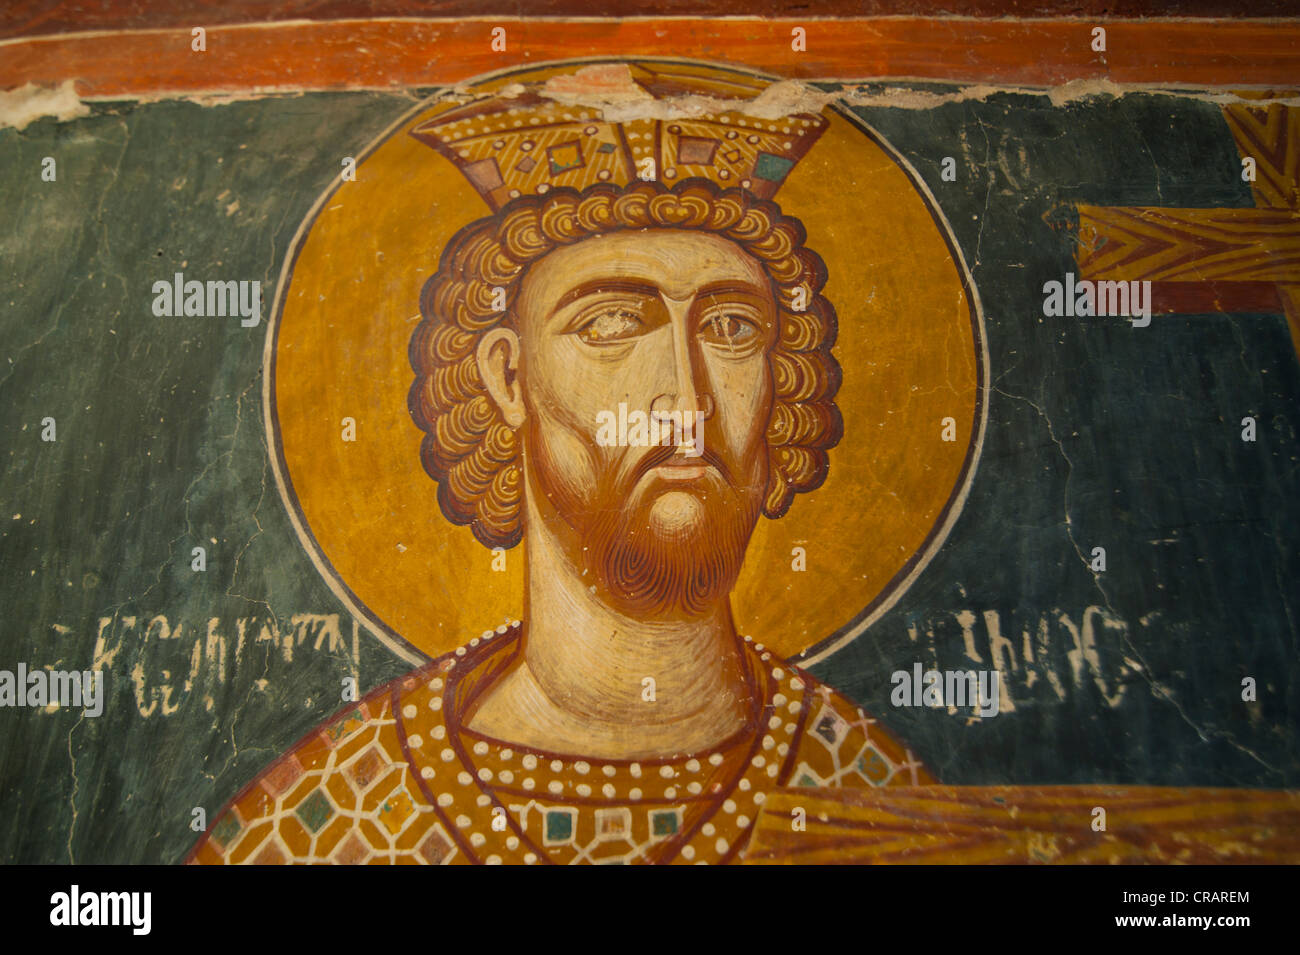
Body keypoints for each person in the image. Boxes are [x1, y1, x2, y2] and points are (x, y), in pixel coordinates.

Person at [189, 69, 932, 866]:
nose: (688, 396)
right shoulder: (328, 819)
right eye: (612, 322)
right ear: (509, 378)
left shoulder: (874, 800)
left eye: (729, 325)